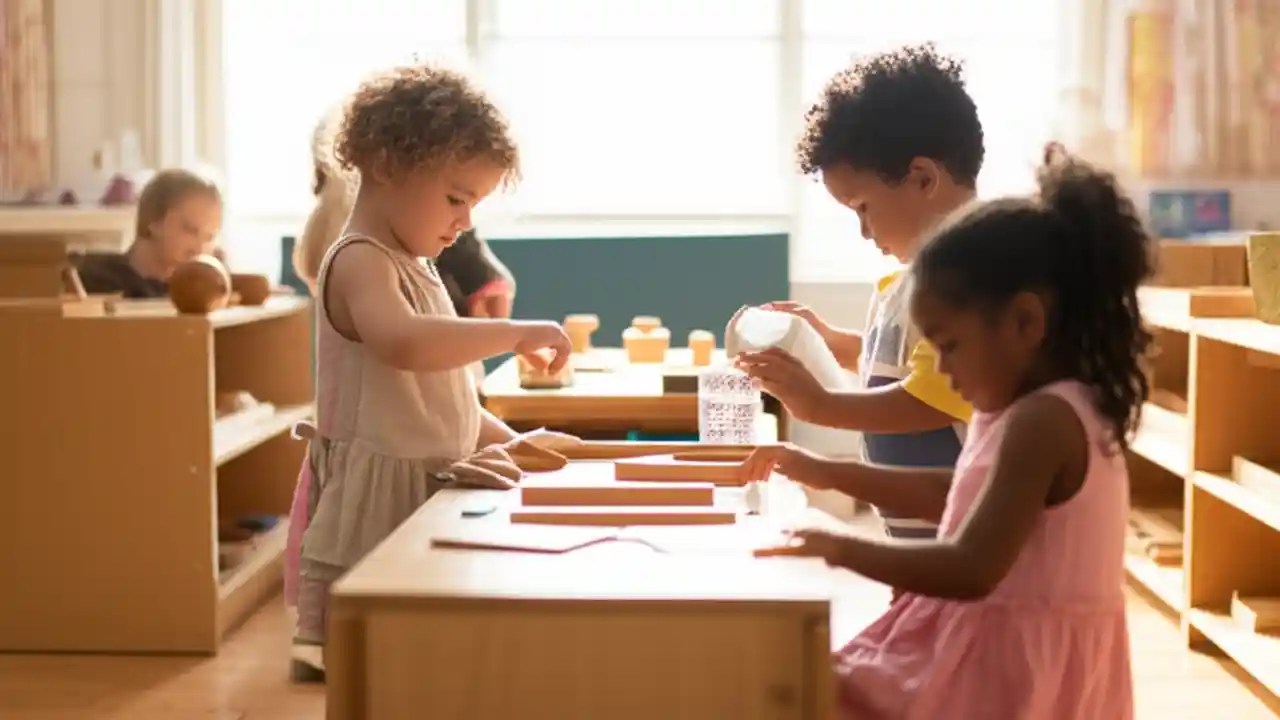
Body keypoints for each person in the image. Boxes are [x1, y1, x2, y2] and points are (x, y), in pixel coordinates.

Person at [748, 148, 1148, 719]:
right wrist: (823, 471)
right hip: (990, 648)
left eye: (950, 345)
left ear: (1025, 323)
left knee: (815, 690)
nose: (941, 365)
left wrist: (841, 548)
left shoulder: (1048, 420)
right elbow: (955, 495)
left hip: (1012, 672)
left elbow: (972, 565)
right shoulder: (1011, 405)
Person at [290, 62, 572, 682]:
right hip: (377, 509)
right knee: (383, 673)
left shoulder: (413, 265)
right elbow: (404, 345)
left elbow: (443, 405)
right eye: (456, 198)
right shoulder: (361, 260)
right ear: (387, 164)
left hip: (426, 489)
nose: (465, 221)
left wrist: (518, 445)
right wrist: (515, 333)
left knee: (432, 667)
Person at [735, 44, 981, 543]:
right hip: (916, 541)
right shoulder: (910, 281)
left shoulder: (969, 277)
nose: (865, 232)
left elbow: (931, 400)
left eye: (863, 207)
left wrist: (819, 406)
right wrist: (829, 342)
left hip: (959, 546)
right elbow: (902, 365)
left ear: (922, 179)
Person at [291, 106, 516, 316]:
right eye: (455, 200)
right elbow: (408, 340)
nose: (465, 221)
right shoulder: (359, 254)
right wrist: (508, 336)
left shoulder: (420, 246)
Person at [75, 168, 223, 297]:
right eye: (190, 230)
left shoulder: (205, 294)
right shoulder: (95, 281)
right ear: (155, 220)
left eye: (209, 237)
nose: (199, 249)